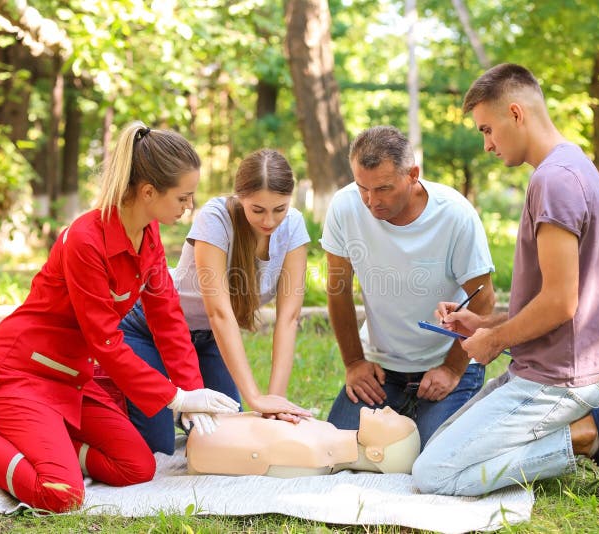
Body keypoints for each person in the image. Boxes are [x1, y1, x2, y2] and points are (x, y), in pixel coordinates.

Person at [0, 122, 240, 512]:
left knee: (137, 466)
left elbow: (168, 320)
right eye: (184, 197)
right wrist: (175, 396)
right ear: (149, 192)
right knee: (62, 494)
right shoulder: (85, 238)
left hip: (70, 378)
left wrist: (193, 397)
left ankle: (24, 444)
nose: (189, 207)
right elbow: (105, 342)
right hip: (17, 373)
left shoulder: (148, 236)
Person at [412, 63, 599, 497]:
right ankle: (586, 419)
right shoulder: (571, 165)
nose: (488, 144)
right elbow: (560, 299)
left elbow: (560, 303)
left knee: (433, 475)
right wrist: (484, 324)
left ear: (516, 113)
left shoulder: (554, 181)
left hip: (559, 379)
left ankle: (587, 435)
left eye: (488, 129)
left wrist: (493, 344)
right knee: (439, 450)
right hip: (554, 366)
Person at [120, 148, 312, 455]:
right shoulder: (216, 217)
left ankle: (174, 409)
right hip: (150, 328)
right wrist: (254, 397)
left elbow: (288, 319)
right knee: (157, 447)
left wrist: (272, 402)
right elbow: (220, 312)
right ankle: (111, 396)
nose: (270, 220)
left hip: (208, 340)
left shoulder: (293, 226)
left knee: (226, 439)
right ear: (240, 197)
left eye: (280, 208)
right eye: (258, 209)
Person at [322, 125, 496, 450]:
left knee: (437, 459)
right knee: (336, 451)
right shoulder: (345, 206)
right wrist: (354, 363)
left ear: (413, 175)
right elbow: (337, 290)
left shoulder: (455, 216)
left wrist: (452, 369)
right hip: (381, 367)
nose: (372, 202)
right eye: (363, 187)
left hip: (446, 361)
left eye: (384, 188)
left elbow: (484, 300)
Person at [186, 407, 420, 477]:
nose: (389, 409)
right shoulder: (325, 435)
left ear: (376, 454)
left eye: (393, 420)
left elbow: (253, 453)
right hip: (208, 430)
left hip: (205, 442)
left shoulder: (313, 457)